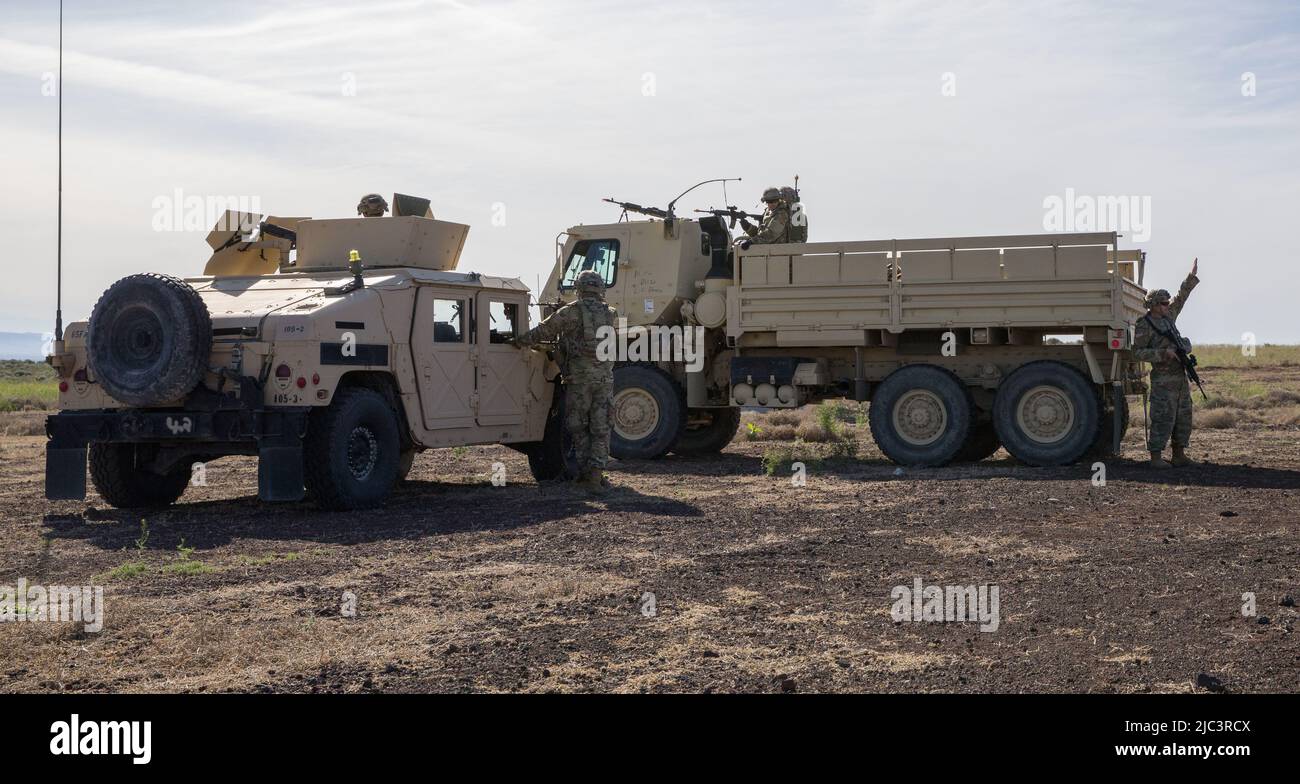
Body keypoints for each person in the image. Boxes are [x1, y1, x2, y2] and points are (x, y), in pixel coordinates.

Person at [512, 270, 616, 492]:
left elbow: (543, 331)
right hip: (605, 379)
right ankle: (597, 475)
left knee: (578, 427)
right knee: (601, 427)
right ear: (600, 288)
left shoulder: (571, 312)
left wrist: (518, 341)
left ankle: (586, 476)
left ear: (579, 288)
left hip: (579, 379)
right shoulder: (611, 313)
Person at [1133, 258, 1201, 468]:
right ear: (1153, 305)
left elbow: (1182, 298)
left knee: (1183, 417)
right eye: (1163, 303)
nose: (1167, 305)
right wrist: (1163, 354)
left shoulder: (1169, 317)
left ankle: (1179, 454)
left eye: (1167, 302)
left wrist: (1190, 278)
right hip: (1163, 380)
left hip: (1179, 378)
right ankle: (1155, 458)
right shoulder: (1144, 324)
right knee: (1163, 417)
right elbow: (1137, 353)